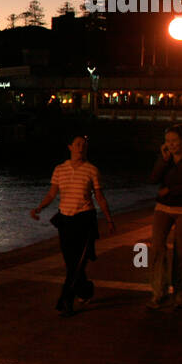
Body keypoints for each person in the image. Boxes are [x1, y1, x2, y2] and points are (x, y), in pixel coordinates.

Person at [31, 134, 115, 317]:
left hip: (85, 219)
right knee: (71, 263)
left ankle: (65, 302)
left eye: (84, 145)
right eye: (77, 145)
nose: (80, 148)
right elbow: (52, 193)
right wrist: (39, 207)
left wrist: (109, 219)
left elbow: (99, 196)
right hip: (65, 220)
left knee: (78, 262)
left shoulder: (92, 170)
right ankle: (85, 290)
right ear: (69, 147)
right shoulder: (59, 169)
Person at [147, 124, 182, 309]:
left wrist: (171, 189)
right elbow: (153, 179)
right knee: (156, 248)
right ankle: (158, 291)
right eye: (168, 141)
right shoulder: (166, 159)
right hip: (163, 208)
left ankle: (179, 293)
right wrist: (163, 160)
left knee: (180, 251)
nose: (171, 145)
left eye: (174, 141)